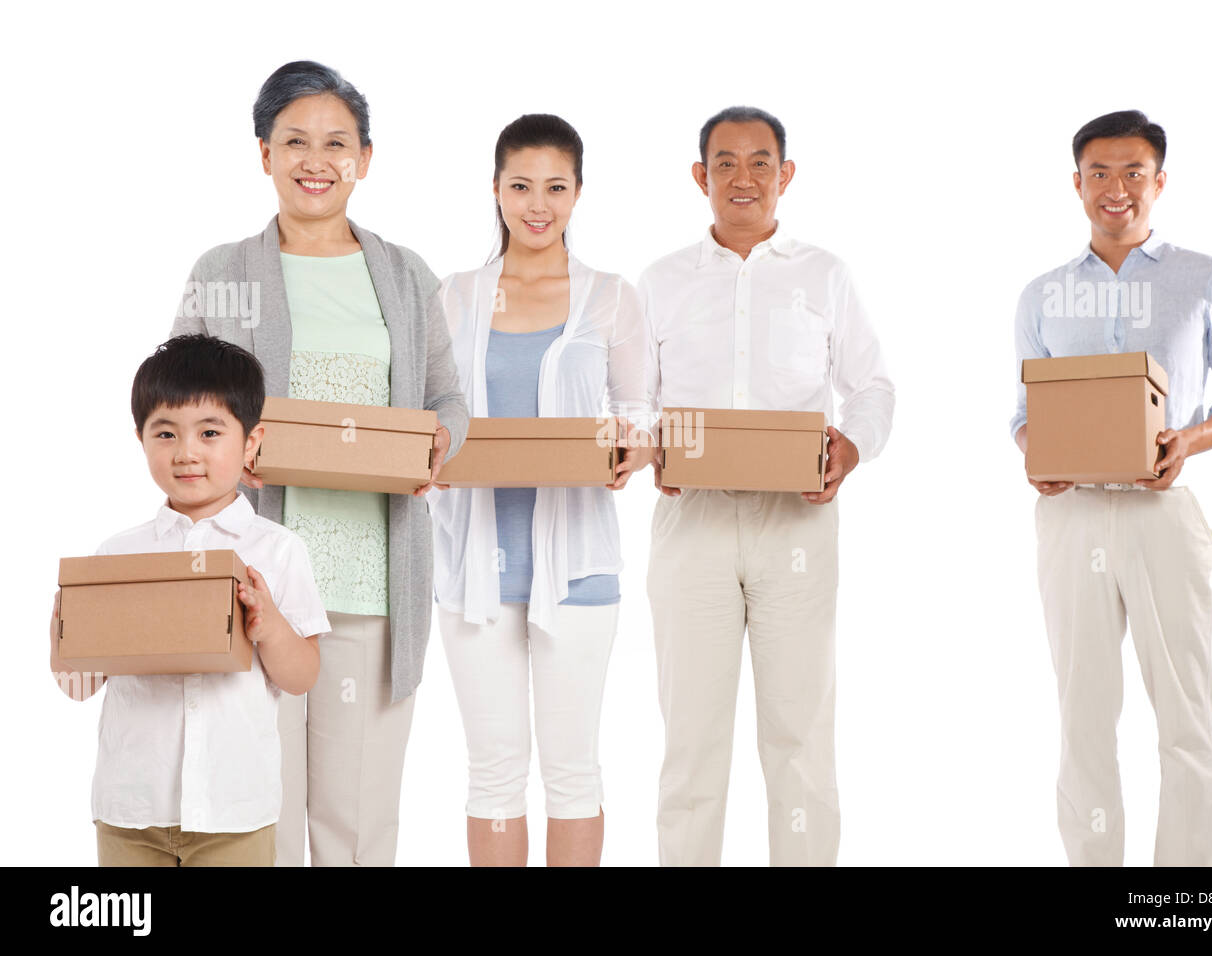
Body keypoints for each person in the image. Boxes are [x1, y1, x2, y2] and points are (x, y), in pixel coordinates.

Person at [170, 60, 468, 867]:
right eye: (294, 140)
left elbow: (449, 398)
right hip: (255, 585)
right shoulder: (222, 274)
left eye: (337, 142)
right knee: (261, 817)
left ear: (365, 158)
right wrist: (232, 443)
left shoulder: (405, 276)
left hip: (371, 581)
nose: (316, 159)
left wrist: (442, 440)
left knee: (358, 826)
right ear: (262, 152)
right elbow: (177, 398)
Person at [638, 106, 895, 866]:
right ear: (700, 177)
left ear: (785, 176)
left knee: (800, 732)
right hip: (694, 524)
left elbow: (873, 385)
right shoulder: (660, 282)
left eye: (759, 163)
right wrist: (648, 446)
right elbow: (626, 400)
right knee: (692, 736)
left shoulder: (824, 275)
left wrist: (851, 446)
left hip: (798, 524)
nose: (742, 178)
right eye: (725, 163)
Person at [1011, 110, 1212, 866]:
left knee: (1185, 712)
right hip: (1071, 517)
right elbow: (1024, 415)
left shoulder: (1203, 278)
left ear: (1159, 181)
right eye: (1099, 174)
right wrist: (1036, 455)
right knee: (1082, 714)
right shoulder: (1043, 294)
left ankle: (1187, 898)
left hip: (1163, 513)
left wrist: (1188, 439)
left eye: (1132, 173)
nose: (1115, 190)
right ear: (1077, 183)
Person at [432, 114, 653, 866]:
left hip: (581, 568)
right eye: (520, 185)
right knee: (492, 774)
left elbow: (641, 410)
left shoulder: (610, 297)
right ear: (495, 190)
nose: (537, 203)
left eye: (556, 187)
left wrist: (636, 449)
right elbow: (427, 414)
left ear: (579, 193)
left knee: (572, 770)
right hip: (473, 572)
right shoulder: (456, 296)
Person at [49, 334, 329, 866]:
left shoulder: (277, 550)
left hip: (234, 811)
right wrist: (62, 637)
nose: (186, 452)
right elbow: (77, 687)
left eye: (209, 432)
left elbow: (302, 676)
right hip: (132, 808)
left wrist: (269, 627)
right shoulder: (118, 555)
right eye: (166, 433)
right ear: (141, 440)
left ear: (250, 443)